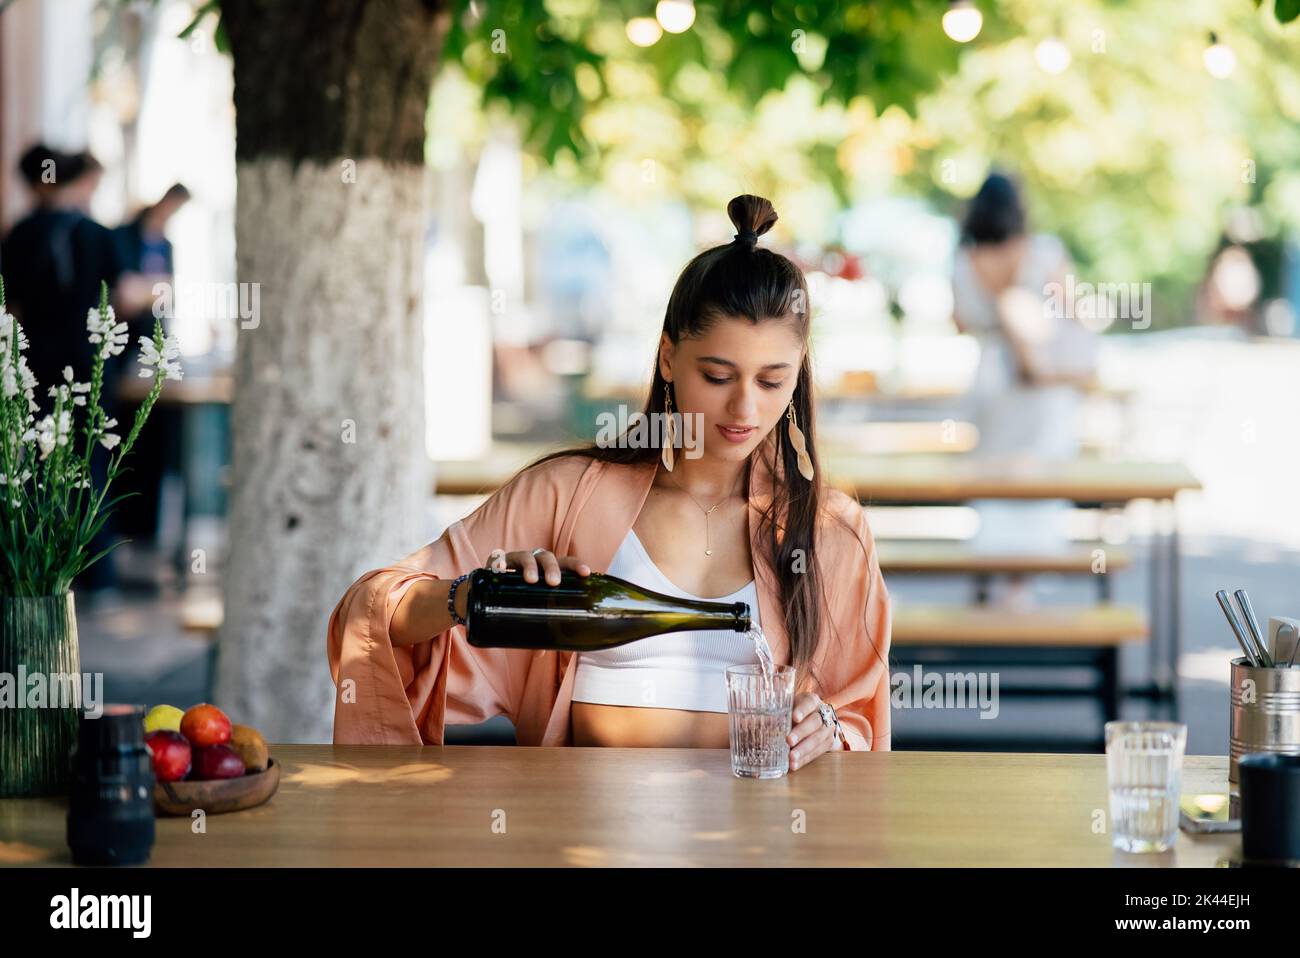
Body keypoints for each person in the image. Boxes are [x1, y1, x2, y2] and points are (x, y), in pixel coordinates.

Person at [327, 194, 893, 765]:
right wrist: (469, 596)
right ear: (668, 358)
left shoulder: (826, 529)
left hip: (760, 845)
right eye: (717, 375)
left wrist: (827, 729)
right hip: (586, 843)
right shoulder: (567, 495)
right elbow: (371, 611)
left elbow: (858, 718)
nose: (743, 406)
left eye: (773, 381)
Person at [951, 173, 1098, 603]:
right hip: (1041, 387)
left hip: (991, 380)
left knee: (994, 478)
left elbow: (961, 321)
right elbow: (1075, 311)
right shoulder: (1043, 251)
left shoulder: (965, 259)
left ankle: (991, 570)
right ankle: (1022, 583)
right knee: (1039, 481)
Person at [110, 184, 191, 546]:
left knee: (157, 434)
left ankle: (146, 530)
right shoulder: (124, 236)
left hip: (154, 343)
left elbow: (164, 294)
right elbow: (123, 294)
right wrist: (149, 289)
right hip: (124, 345)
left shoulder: (167, 245)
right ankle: (124, 527)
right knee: (125, 435)